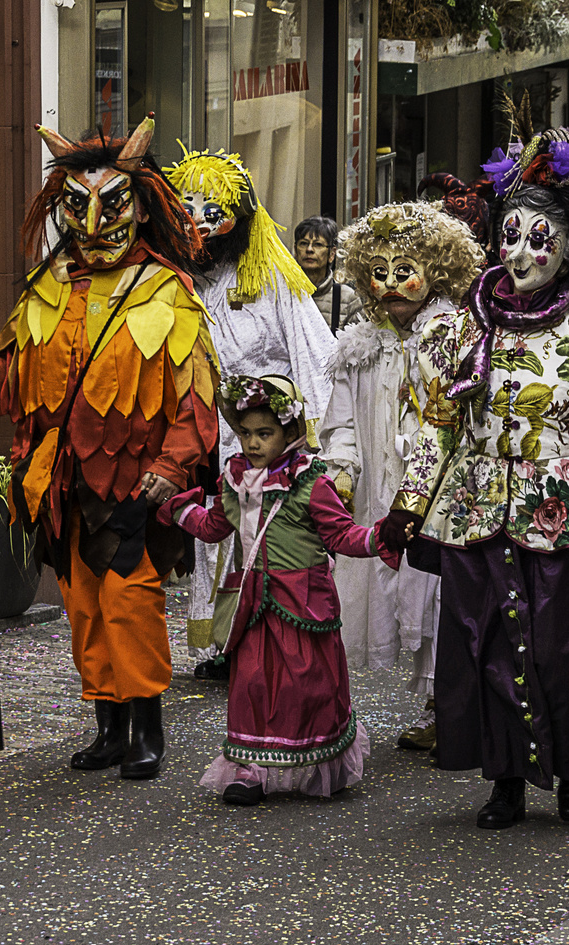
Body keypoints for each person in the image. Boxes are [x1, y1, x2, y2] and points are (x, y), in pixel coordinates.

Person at [379, 130, 569, 830]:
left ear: (568, 251)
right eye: (512, 236)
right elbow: (437, 423)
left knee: (566, 648)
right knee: (482, 642)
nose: (521, 253)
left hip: (562, 513)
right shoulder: (463, 332)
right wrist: (408, 507)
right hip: (477, 508)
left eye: (539, 239)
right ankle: (507, 780)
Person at [0, 116, 219, 780]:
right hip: (60, 479)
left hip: (133, 480)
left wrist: (172, 469)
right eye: (78, 205)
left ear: (138, 204)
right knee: (81, 603)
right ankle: (108, 724)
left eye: (111, 203)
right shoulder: (48, 287)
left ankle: (148, 728)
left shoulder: (167, 290)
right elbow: (15, 367)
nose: (93, 221)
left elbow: (195, 397)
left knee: (128, 599)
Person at [158, 375, 376, 805]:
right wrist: (179, 507)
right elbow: (214, 527)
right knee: (252, 682)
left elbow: (342, 536)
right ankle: (251, 768)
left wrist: (383, 538)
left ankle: (316, 764)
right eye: (245, 434)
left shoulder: (313, 484)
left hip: (303, 605)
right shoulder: (234, 483)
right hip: (254, 602)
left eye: (265, 433)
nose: (253, 443)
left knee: (307, 682)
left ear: (291, 434)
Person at [317, 201, 484, 753]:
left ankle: (452, 708)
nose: (390, 283)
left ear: (435, 270)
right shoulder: (357, 346)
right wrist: (341, 471)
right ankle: (441, 707)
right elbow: (339, 419)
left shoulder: (454, 334)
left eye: (404, 269)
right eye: (379, 271)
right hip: (378, 494)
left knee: (437, 594)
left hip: (438, 490)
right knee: (398, 591)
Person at [167, 147, 336, 679]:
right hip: (208, 434)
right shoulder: (176, 281)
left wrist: (315, 437)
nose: (198, 222)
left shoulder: (272, 277)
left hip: (273, 434)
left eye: (211, 210)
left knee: (268, 536)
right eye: (187, 208)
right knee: (218, 538)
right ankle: (224, 640)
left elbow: (316, 355)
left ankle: (273, 634)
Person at [293, 215, 366, 333]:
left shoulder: (348, 299)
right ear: (295, 251)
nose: (309, 249)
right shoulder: (283, 295)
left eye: (318, 244)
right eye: (303, 243)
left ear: (332, 254)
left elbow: (356, 348)